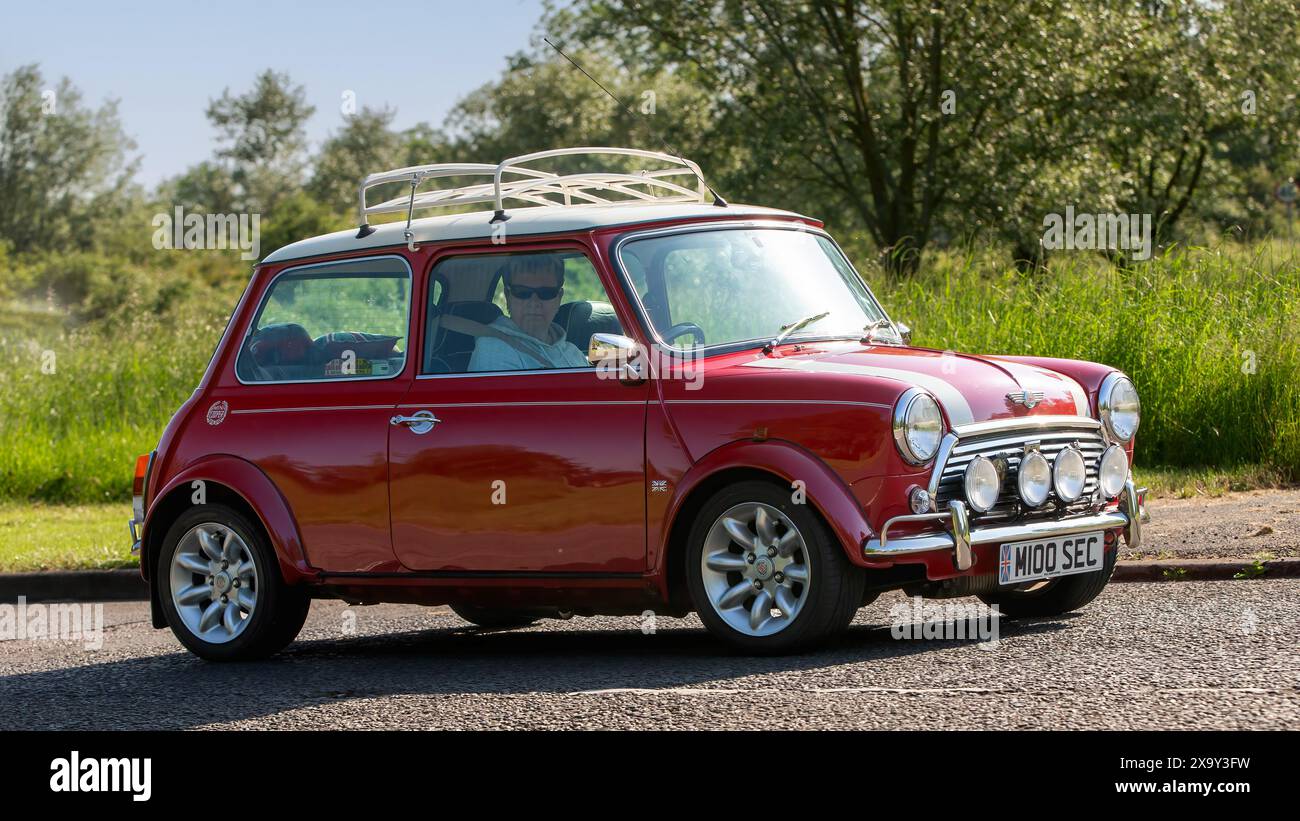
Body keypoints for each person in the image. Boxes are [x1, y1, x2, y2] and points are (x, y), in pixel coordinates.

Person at [468, 255, 591, 372]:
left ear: (559, 297)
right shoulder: (494, 349)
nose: (534, 302)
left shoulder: (574, 354)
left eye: (546, 293)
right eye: (522, 292)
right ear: (507, 296)